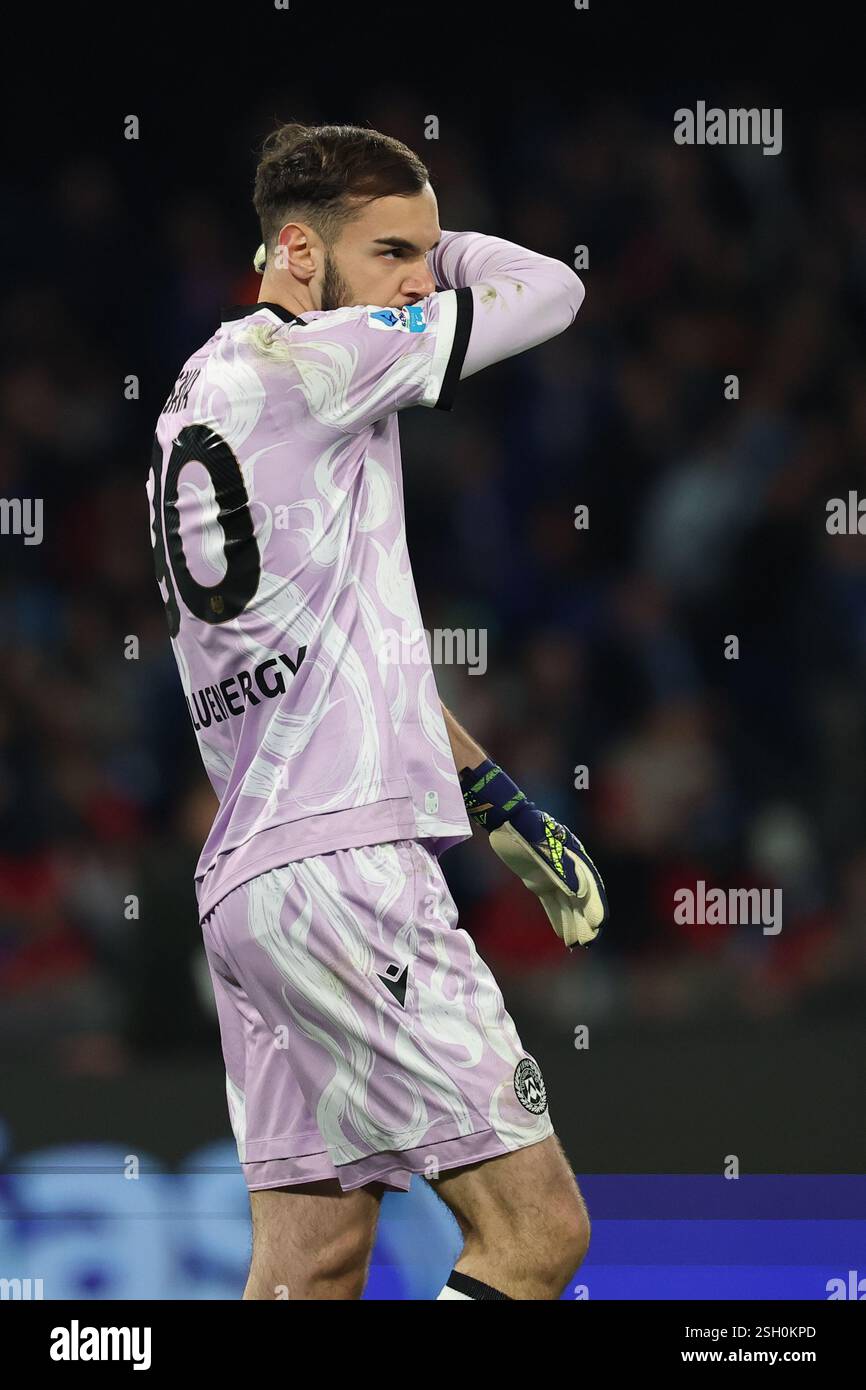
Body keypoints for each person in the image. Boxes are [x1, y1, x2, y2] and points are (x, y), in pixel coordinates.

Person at [146, 121, 607, 1300]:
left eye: (426, 251)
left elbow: (344, 656)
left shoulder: (197, 398)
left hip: (252, 889)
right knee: (536, 1234)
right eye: (395, 248)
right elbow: (549, 291)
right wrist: (453, 257)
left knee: (311, 1264)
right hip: (347, 873)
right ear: (296, 252)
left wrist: (496, 800)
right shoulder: (327, 362)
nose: (416, 277)